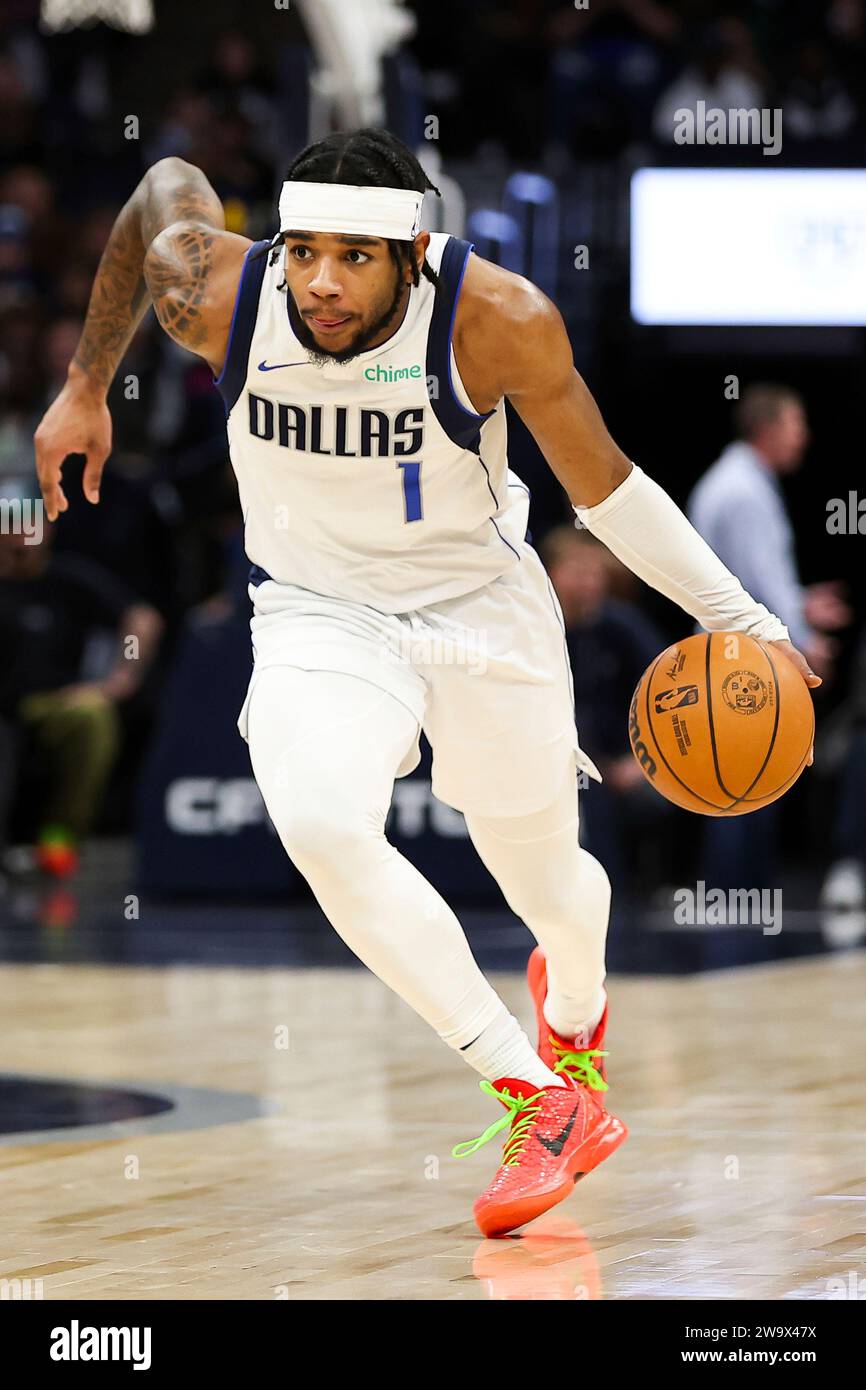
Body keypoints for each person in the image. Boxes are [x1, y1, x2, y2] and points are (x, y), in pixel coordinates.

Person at [33, 130, 818, 1238]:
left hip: (478, 612)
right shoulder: (224, 293)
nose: (318, 281)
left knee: (544, 883)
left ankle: (573, 1013)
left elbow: (607, 492)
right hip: (318, 608)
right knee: (317, 820)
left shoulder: (498, 317)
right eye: (304, 249)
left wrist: (745, 623)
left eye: (353, 257)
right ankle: (535, 1096)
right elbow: (159, 191)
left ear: (413, 254)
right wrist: (83, 383)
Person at [688, 384, 850, 891]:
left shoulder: (739, 482)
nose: (803, 437)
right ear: (769, 428)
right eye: (796, 424)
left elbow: (747, 582)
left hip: (733, 652)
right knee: (742, 779)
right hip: (739, 661)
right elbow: (758, 586)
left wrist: (799, 602)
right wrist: (799, 636)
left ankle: (738, 900)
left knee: (743, 778)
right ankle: (735, 903)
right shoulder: (742, 491)